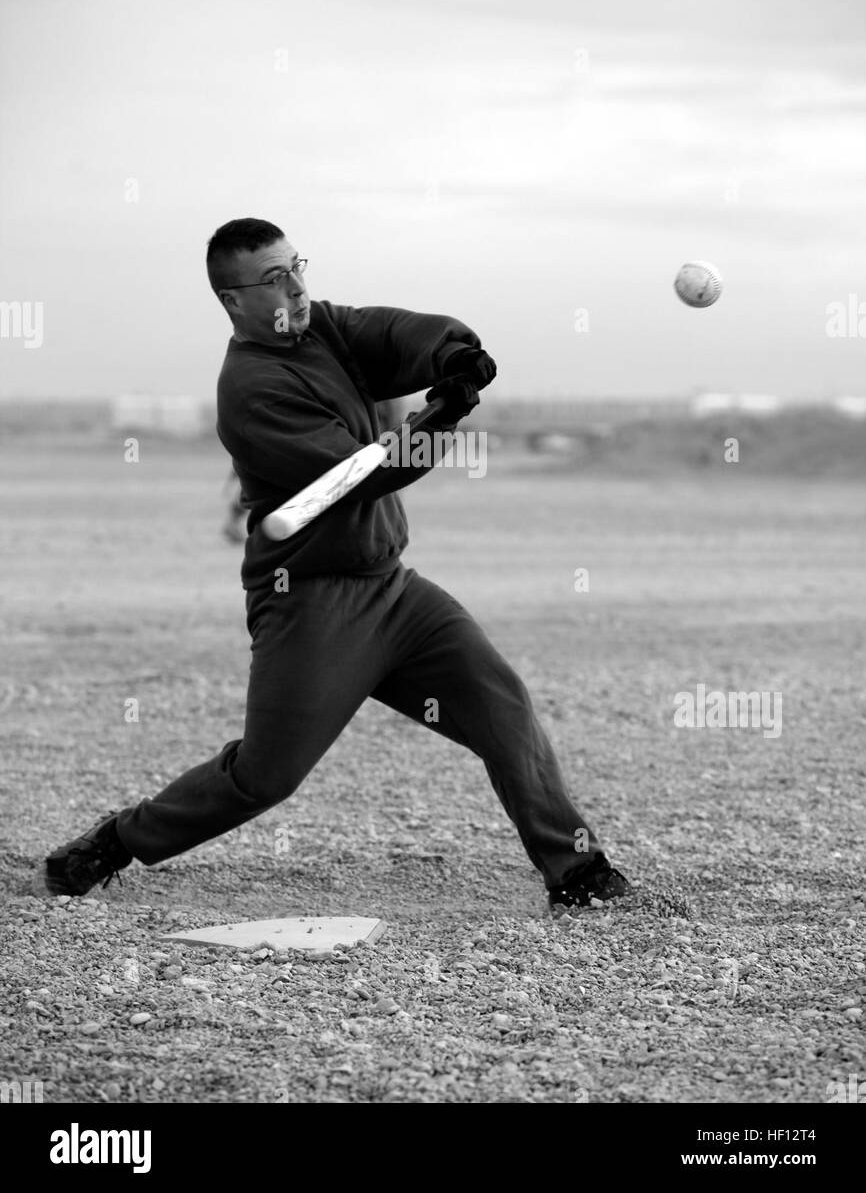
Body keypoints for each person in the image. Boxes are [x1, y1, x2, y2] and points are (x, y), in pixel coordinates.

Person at [45, 218, 630, 913]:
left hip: (393, 589)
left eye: (297, 266)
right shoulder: (253, 390)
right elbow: (362, 475)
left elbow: (393, 334)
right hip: (311, 603)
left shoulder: (322, 327)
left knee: (502, 706)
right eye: (273, 277)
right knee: (263, 778)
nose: (295, 285)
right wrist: (438, 423)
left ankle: (577, 871)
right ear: (233, 300)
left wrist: (453, 353)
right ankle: (118, 841)